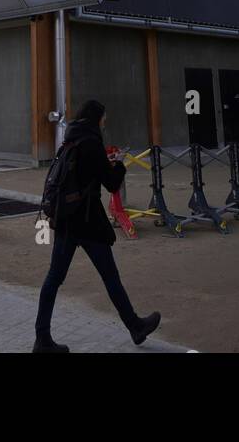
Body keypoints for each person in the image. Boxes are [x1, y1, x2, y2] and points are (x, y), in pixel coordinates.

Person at [33, 99, 160, 353]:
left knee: (53, 279)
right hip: (88, 221)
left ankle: (42, 338)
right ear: (96, 118)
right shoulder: (91, 142)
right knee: (110, 277)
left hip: (66, 220)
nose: (105, 122)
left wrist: (105, 163)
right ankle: (135, 326)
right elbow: (111, 183)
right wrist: (121, 163)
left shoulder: (71, 139)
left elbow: (85, 173)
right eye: (104, 117)